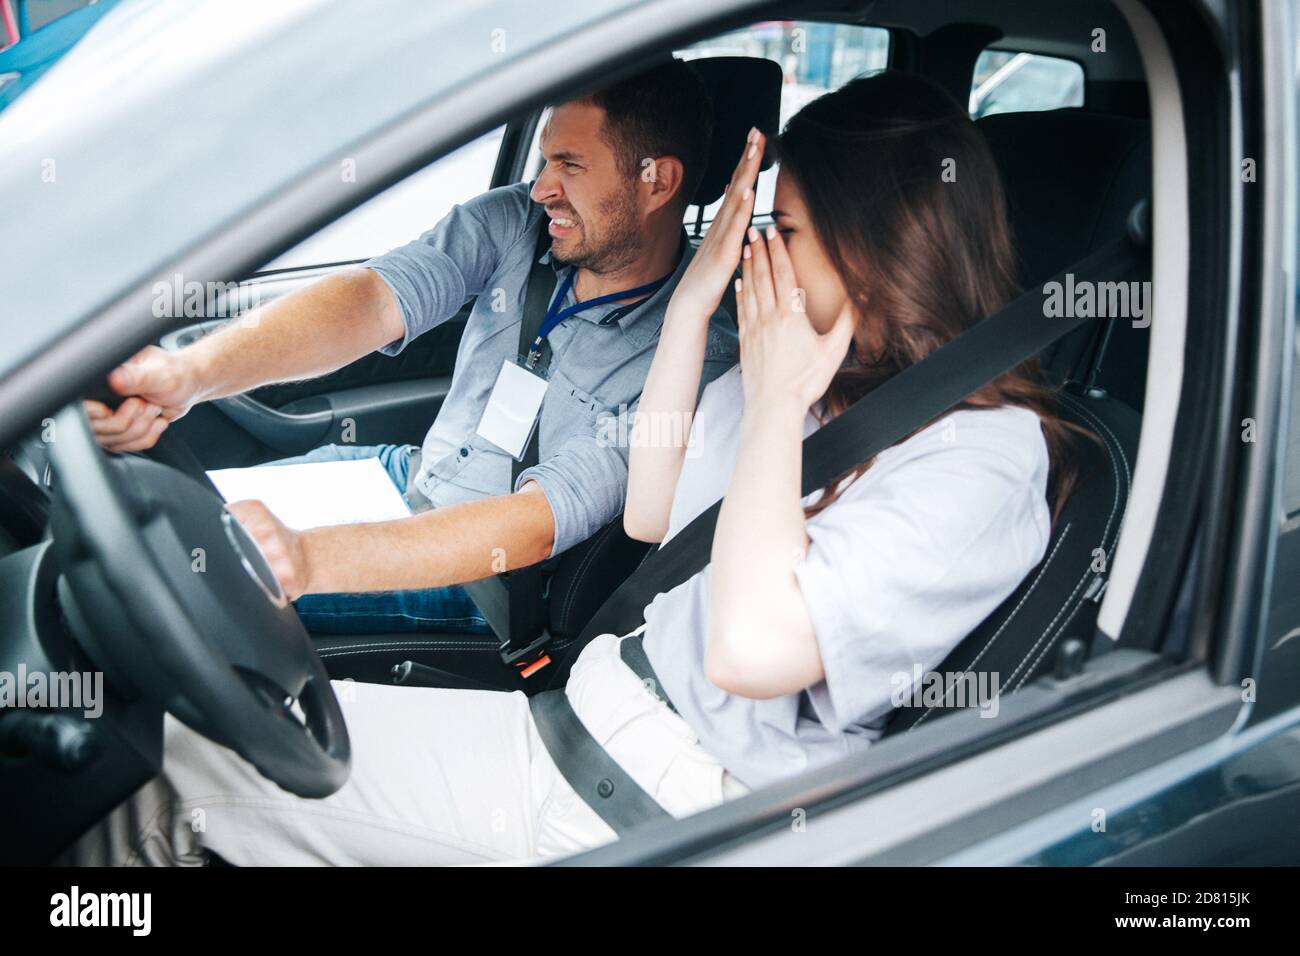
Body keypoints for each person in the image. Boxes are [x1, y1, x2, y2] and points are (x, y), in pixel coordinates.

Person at [70, 71, 1083, 866]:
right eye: (761, 231)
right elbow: (652, 507)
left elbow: (745, 646)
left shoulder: (978, 461)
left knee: (174, 771)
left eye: (788, 235)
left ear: (873, 253)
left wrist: (768, 395)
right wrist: (697, 300)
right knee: (175, 718)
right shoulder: (819, 390)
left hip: (643, 790)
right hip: (587, 722)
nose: (764, 260)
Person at [85, 59, 738, 635]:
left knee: (152, 589)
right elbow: (370, 301)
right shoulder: (516, 224)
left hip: (477, 576)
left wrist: (308, 557)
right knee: (142, 521)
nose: (542, 187)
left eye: (569, 165)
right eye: (543, 161)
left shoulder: (694, 354)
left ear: (657, 181)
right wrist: (192, 373)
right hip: (407, 475)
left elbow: (538, 519)